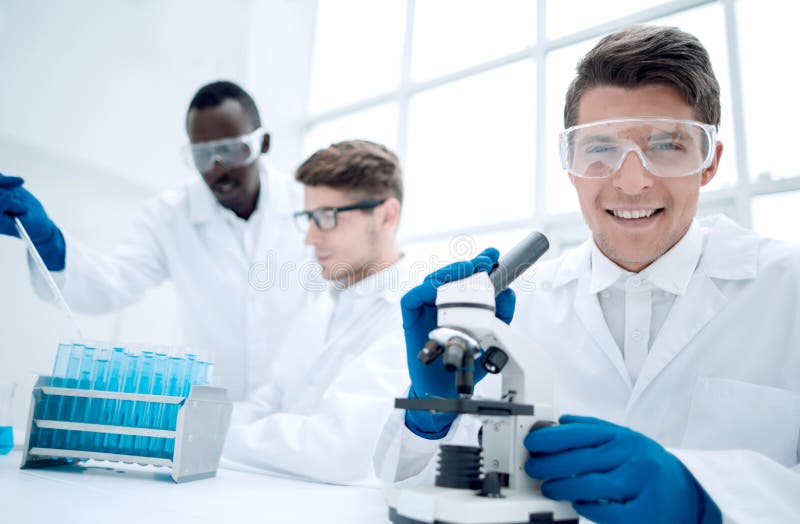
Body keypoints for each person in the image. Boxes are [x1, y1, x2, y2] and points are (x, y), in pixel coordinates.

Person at [379, 26, 800, 523]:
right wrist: (431, 415)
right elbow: (412, 485)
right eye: (599, 148)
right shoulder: (518, 307)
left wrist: (706, 496)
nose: (631, 181)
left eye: (666, 144)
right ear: (571, 163)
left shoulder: (787, 289)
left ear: (708, 163)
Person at [0, 81, 308, 400]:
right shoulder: (169, 216)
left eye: (230, 149)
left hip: (299, 413)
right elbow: (113, 283)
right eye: (202, 155)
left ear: (263, 143)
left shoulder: (311, 209)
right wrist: (48, 241)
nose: (217, 168)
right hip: (215, 412)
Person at [221, 140, 413, 485]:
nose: (310, 238)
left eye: (327, 217)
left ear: (387, 215)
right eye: (309, 218)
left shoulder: (411, 318)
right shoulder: (321, 307)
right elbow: (268, 403)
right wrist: (186, 423)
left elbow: (338, 450)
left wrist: (208, 439)